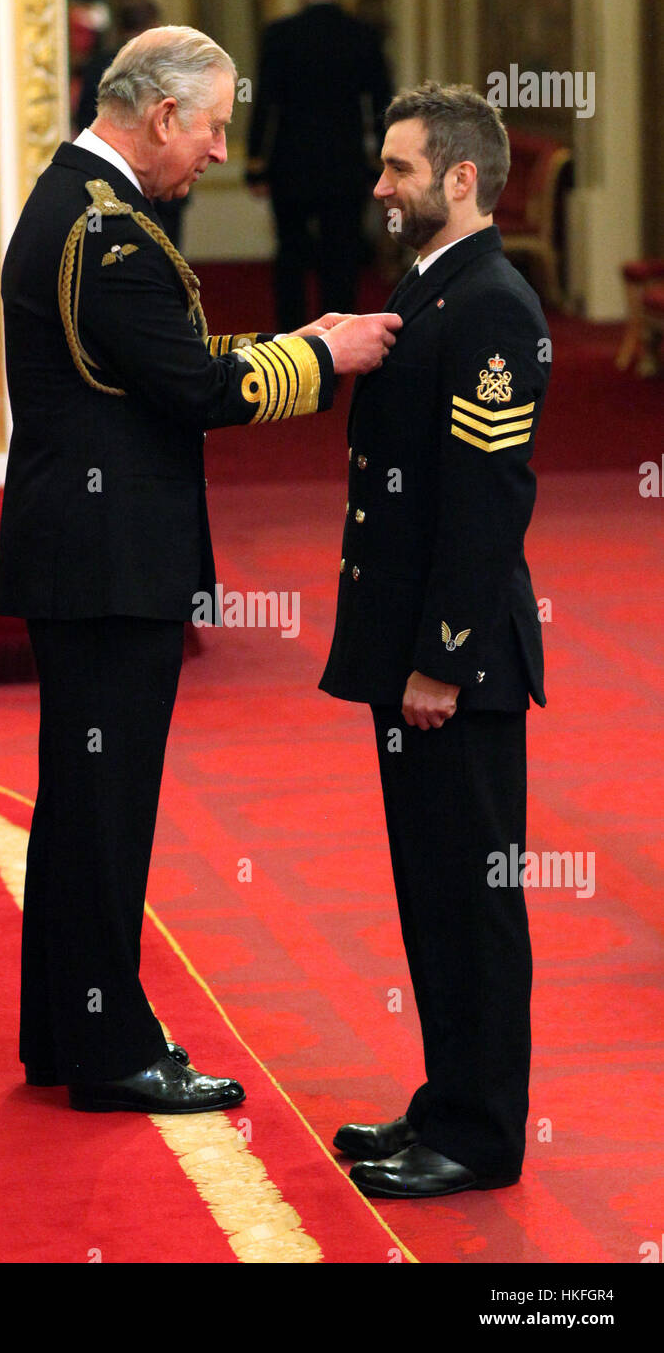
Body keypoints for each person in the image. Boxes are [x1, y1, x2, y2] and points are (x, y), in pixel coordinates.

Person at [0, 25, 400, 1116]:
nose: (220, 151)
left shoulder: (84, 208)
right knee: (104, 809)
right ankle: (109, 1047)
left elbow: (169, 364)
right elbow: (196, 389)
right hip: (107, 562)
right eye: (213, 128)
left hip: (91, 556)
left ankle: (68, 1029)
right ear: (164, 115)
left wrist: (291, 335)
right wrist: (325, 355)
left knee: (86, 805)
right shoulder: (108, 232)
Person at [320, 81, 552, 1196]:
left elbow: (486, 501)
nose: (379, 184)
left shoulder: (494, 303)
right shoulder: (430, 287)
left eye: (398, 167)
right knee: (431, 892)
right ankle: (442, 1103)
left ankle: (479, 1133)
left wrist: (440, 660)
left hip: (453, 666)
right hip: (409, 651)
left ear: (460, 180)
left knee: (471, 898)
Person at [246, 0, 392, 331]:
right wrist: (385, 160)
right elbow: (382, 105)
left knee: (291, 255)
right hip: (345, 163)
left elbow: (265, 103)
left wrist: (256, 163)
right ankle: (339, 340)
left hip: (289, 162)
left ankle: (291, 339)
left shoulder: (280, 35)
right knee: (341, 257)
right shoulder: (363, 35)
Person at [74, 0, 189, 248]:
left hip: (112, 182)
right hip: (165, 180)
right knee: (168, 260)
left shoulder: (99, 66)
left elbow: (85, 123)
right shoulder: (174, 69)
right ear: (157, 25)